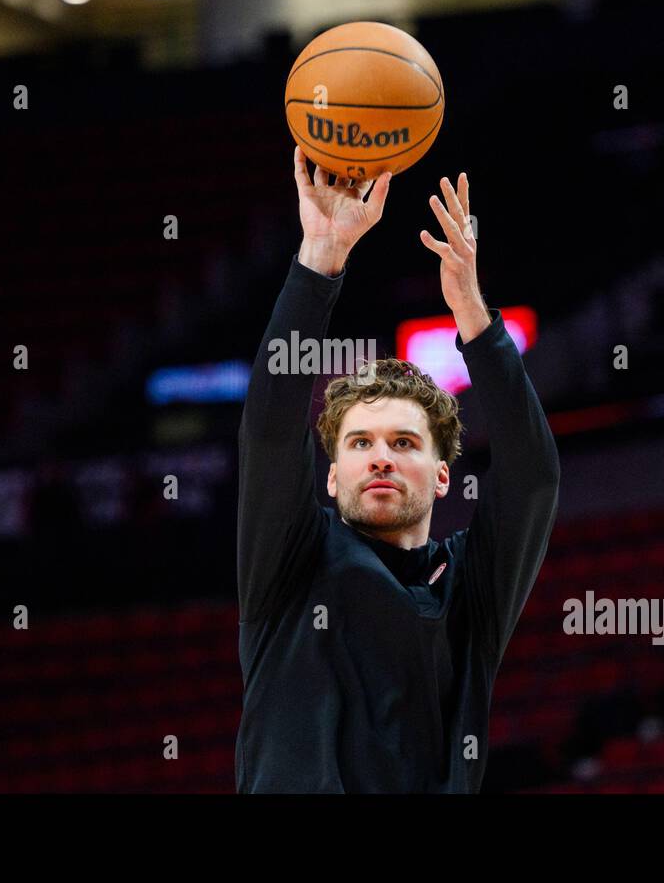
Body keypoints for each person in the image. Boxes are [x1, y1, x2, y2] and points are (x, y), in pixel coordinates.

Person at [233, 146, 560, 792]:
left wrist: (471, 311)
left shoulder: (473, 589)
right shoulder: (292, 559)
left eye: (405, 443)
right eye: (358, 443)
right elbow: (269, 430)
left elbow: (532, 477)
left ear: (443, 475)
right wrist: (320, 259)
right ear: (330, 478)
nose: (380, 454)